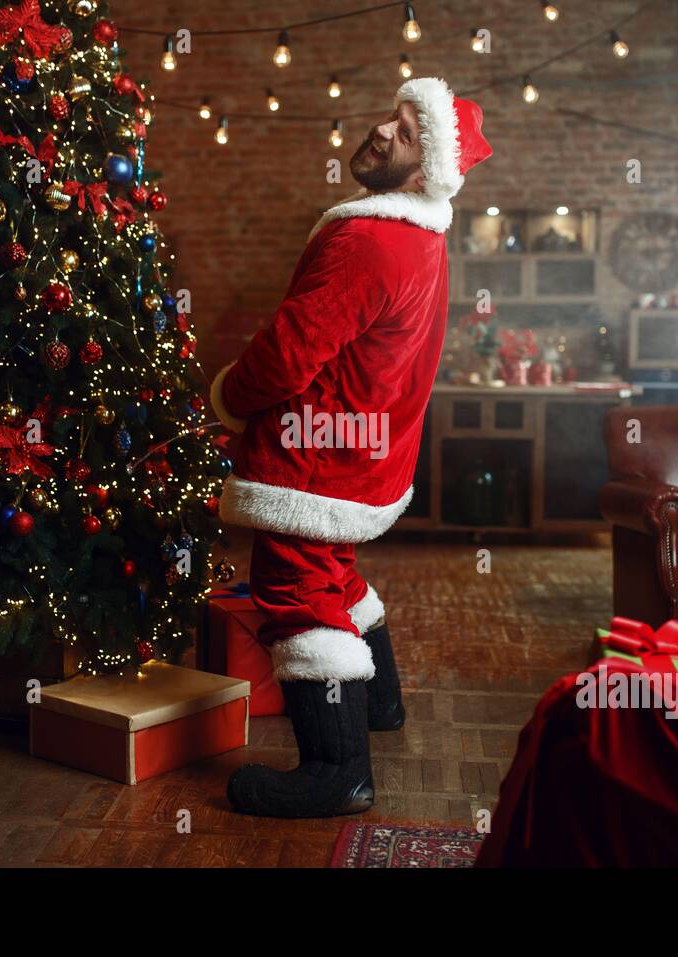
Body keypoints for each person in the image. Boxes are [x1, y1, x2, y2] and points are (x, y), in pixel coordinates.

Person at [209, 77, 494, 818]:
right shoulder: (421, 238)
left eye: (406, 130)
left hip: (315, 459)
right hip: (363, 455)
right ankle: (380, 704)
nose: (381, 131)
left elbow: (286, 354)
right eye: (390, 116)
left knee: (296, 584)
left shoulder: (366, 239)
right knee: (331, 568)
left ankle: (337, 771)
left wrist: (228, 397)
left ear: (428, 165)